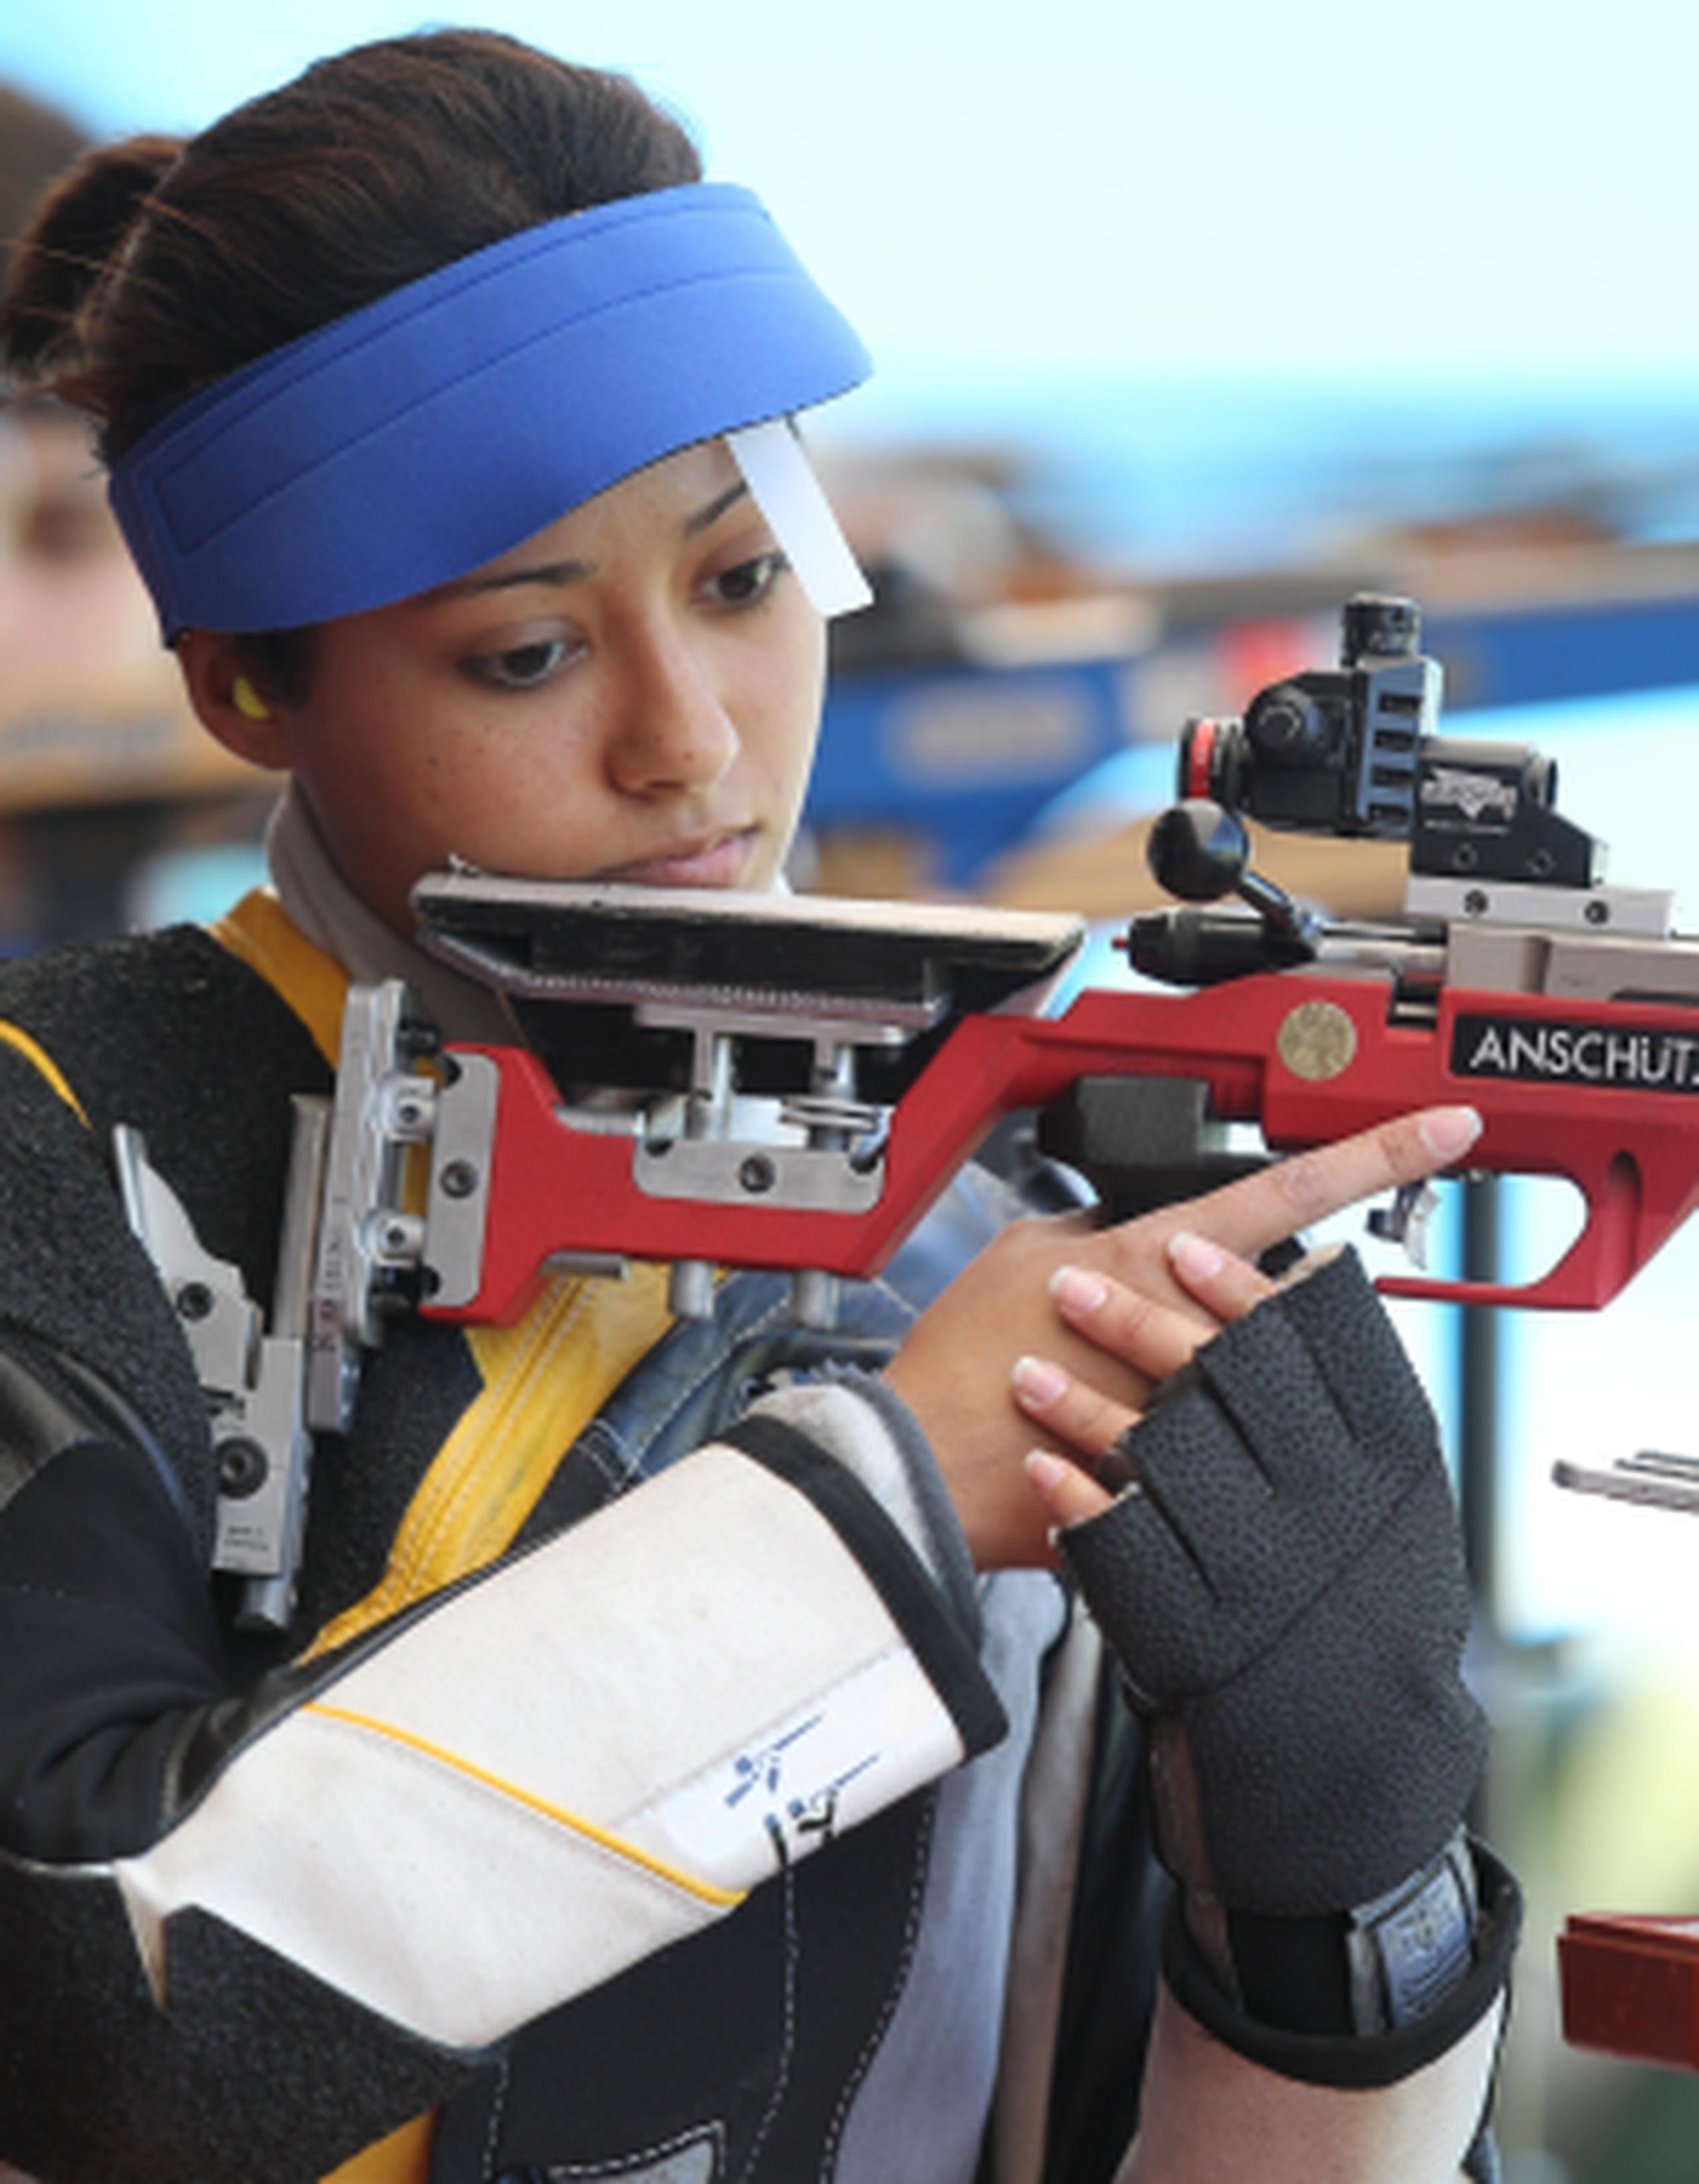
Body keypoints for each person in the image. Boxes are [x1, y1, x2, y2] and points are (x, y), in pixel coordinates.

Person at [0, 30, 1518, 2184]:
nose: (691, 739)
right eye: (526, 652)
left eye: (740, 581)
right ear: (247, 678)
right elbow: (101, 2013)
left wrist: (1346, 1906)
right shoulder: (59, 1132)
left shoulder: (1007, 1218)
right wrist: (891, 1498)